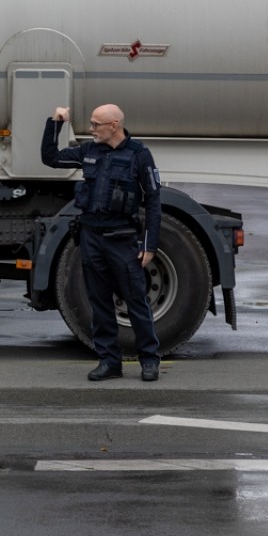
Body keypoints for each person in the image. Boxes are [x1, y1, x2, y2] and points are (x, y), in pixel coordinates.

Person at [41, 103, 164, 382]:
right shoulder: (89, 151)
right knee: (99, 303)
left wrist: (150, 244)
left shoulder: (139, 154)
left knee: (135, 301)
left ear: (114, 125)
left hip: (122, 239)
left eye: (96, 124)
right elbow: (50, 158)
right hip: (91, 238)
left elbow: (153, 201)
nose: (91, 128)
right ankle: (109, 361)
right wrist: (55, 122)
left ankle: (149, 360)